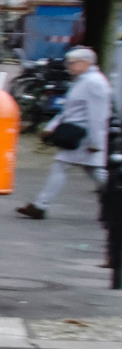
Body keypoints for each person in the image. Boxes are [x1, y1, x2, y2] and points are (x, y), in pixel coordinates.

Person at [15, 47, 111, 221]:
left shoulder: (93, 83)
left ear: (85, 63)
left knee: (75, 170)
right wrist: (52, 126)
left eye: (72, 63)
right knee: (95, 174)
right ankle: (40, 205)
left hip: (82, 136)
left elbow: (98, 116)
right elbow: (70, 109)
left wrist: (95, 141)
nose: (69, 66)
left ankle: (41, 205)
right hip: (79, 136)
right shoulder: (84, 81)